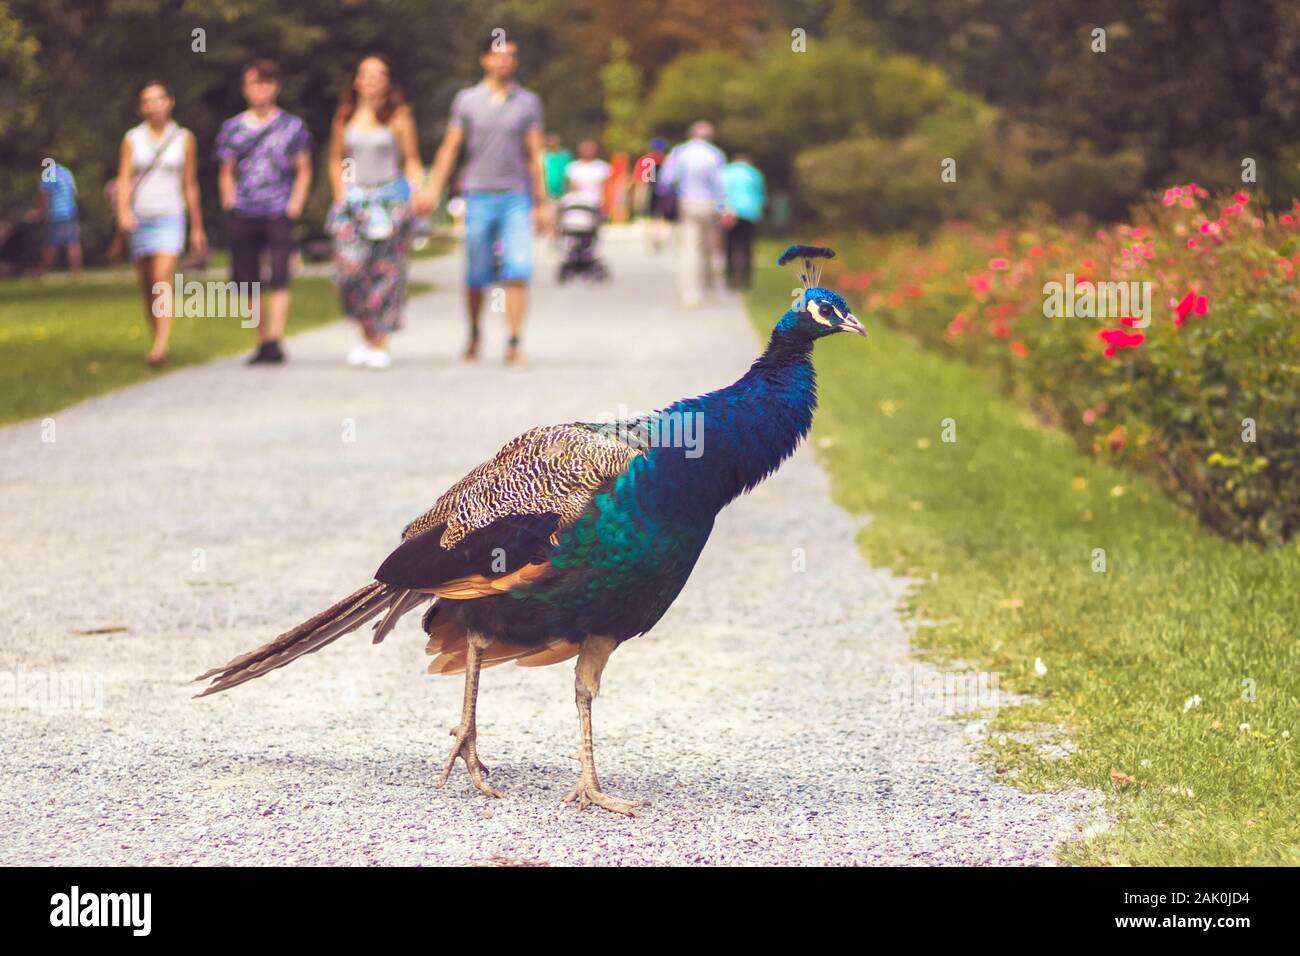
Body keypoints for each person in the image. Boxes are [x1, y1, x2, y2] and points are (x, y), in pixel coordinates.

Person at [423, 34, 546, 367]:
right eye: (499, 55)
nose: (505, 61)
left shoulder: (528, 102)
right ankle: (475, 333)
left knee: (518, 268)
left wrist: (542, 201)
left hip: (516, 196)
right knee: (477, 274)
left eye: (511, 56)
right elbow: (451, 147)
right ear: (484, 60)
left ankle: (514, 342)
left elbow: (535, 153)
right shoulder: (467, 100)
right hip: (477, 194)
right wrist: (433, 188)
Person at [327, 55, 431, 370]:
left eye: (379, 74)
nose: (371, 79)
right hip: (354, 202)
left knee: (386, 273)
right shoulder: (345, 116)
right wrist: (339, 193)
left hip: (389, 202)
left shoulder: (398, 117)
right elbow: (335, 159)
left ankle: (380, 340)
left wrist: (419, 191)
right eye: (365, 73)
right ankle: (364, 332)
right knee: (350, 271)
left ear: (387, 80)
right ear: (357, 80)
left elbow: (411, 160)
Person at [216, 59, 313, 366]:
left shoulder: (292, 126)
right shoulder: (232, 128)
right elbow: (226, 170)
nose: (261, 89)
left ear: (276, 86)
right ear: (246, 89)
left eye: (266, 83)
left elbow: (304, 168)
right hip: (244, 209)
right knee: (246, 279)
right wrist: (229, 202)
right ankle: (262, 338)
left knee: (280, 274)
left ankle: (275, 337)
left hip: (277, 208)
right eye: (255, 83)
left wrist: (295, 202)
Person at [115, 80, 207, 366]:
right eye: (147, 101)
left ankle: (160, 346)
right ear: (141, 107)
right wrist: (123, 212)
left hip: (171, 214)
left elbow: (190, 184)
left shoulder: (183, 138)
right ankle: (158, 337)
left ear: (170, 101)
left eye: (159, 99)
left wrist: (197, 227)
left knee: (161, 278)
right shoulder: (133, 138)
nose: (154, 105)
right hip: (141, 216)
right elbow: (124, 179)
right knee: (146, 284)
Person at [662, 121, 727, 308]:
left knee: (689, 249)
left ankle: (690, 293)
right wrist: (723, 207)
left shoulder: (679, 152)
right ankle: (709, 287)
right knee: (709, 248)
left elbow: (667, 180)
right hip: (710, 204)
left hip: (687, 203)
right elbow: (720, 184)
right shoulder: (715, 154)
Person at [722, 153, 766, 290]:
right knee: (746, 246)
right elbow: (760, 195)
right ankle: (746, 279)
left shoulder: (726, 172)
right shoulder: (755, 174)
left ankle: (730, 277)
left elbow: (721, 193)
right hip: (749, 213)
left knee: (730, 245)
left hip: (730, 213)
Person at [35, 161, 82, 279]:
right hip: (70, 212)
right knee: (72, 242)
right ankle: (76, 272)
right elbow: (74, 192)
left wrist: (40, 213)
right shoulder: (66, 172)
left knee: (52, 244)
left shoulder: (48, 174)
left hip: (57, 213)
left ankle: (42, 271)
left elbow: (45, 194)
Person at [634, 137, 668, 252]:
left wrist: (639, 197)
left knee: (652, 216)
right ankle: (657, 238)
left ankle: (653, 239)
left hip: (652, 190)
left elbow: (642, 180)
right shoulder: (665, 160)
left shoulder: (647, 160)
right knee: (659, 216)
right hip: (662, 190)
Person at [564, 139, 611, 205]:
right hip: (576, 200)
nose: (587, 151)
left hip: (597, 201)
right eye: (585, 148)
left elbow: (607, 188)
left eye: (590, 148)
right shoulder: (572, 167)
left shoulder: (604, 167)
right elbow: (571, 187)